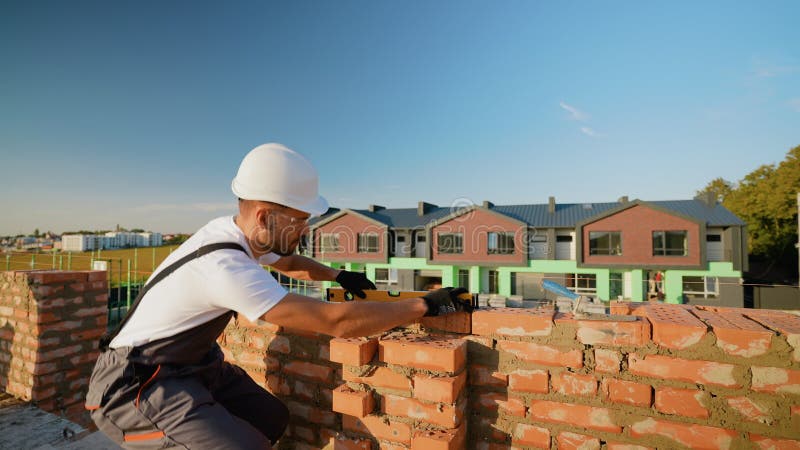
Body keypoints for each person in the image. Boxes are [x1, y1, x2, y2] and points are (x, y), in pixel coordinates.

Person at [85, 143, 472, 449]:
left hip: (192, 367)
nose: (305, 230)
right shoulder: (225, 266)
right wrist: (425, 304)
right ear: (265, 217)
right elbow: (334, 322)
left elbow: (287, 262)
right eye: (300, 221)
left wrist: (338, 274)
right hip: (136, 384)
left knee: (270, 420)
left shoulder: (235, 232)